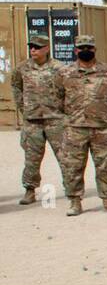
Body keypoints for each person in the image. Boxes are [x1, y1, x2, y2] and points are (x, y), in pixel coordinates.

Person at [58, 34, 107, 215]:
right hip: (75, 128)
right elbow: (57, 97)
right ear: (75, 50)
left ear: (95, 49)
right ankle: (74, 202)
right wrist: (72, 114)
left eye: (89, 47)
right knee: (73, 166)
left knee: (105, 164)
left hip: (102, 127)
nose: (85, 51)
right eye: (81, 48)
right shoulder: (65, 73)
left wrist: (105, 112)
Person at [11, 32, 67, 205]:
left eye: (37, 47)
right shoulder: (22, 68)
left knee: (65, 156)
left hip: (55, 119)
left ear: (47, 49)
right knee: (32, 158)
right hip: (32, 120)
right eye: (31, 47)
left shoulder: (60, 68)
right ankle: (29, 190)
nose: (33, 50)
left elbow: (68, 91)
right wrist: (24, 108)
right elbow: (16, 88)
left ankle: (72, 188)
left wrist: (63, 110)